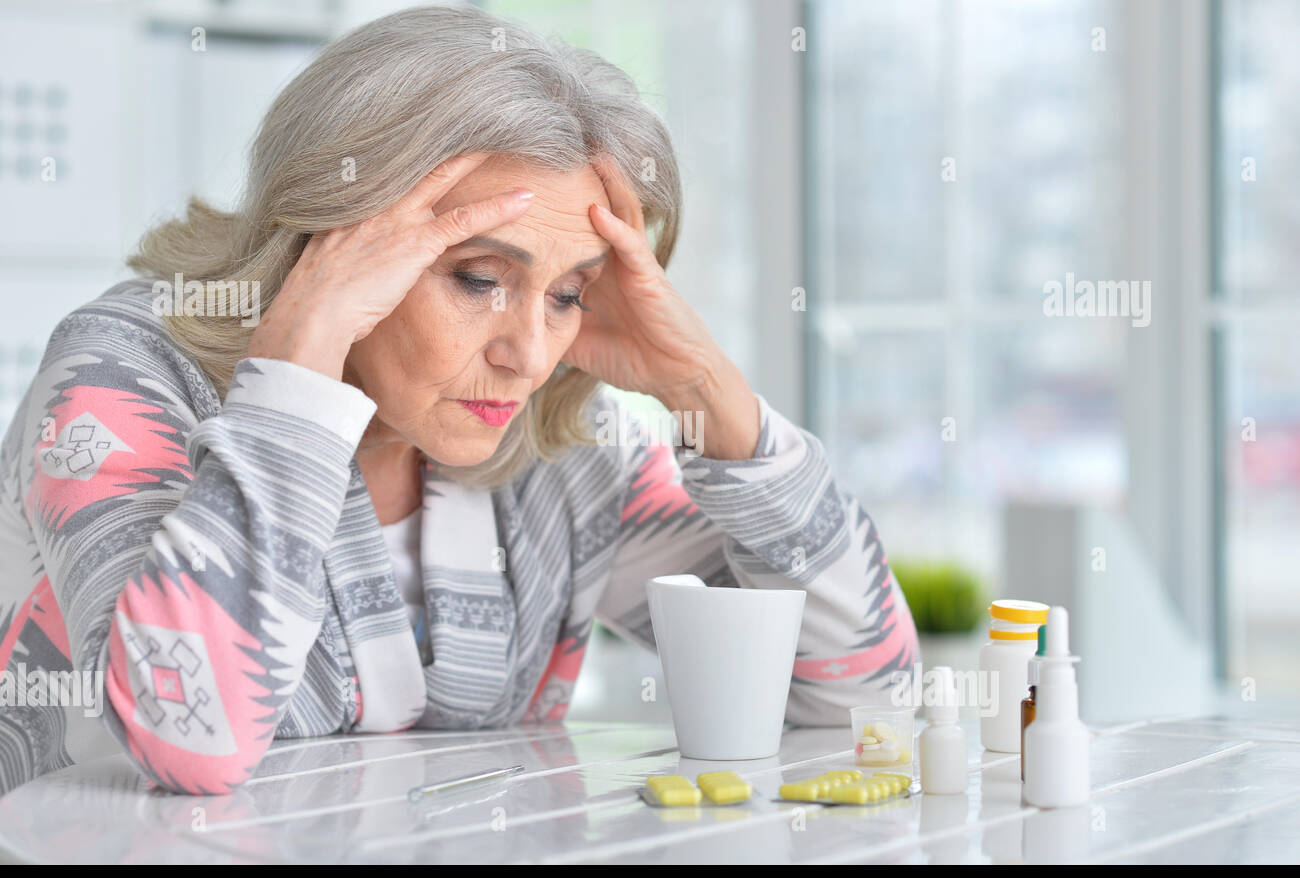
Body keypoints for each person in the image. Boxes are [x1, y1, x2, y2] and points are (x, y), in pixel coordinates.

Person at [0, 4, 918, 797]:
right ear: (333, 243)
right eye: (480, 278)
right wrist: (300, 362)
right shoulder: (124, 378)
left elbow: (862, 702)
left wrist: (711, 395)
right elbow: (184, 737)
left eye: (569, 293)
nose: (527, 355)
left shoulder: (568, 446)